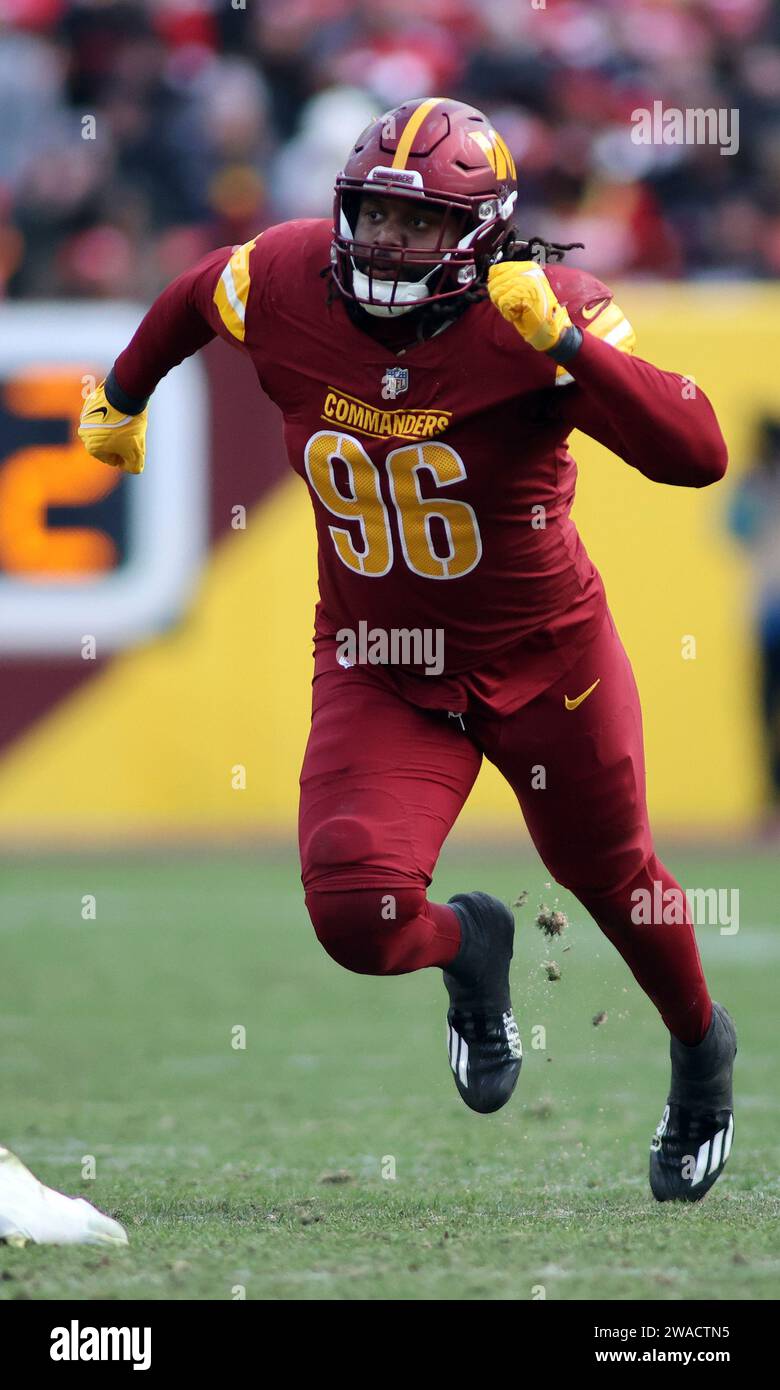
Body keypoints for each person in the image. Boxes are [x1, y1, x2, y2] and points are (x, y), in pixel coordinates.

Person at [78, 97, 736, 1202]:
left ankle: (702, 1050)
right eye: (374, 213)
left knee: (613, 877)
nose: (386, 241)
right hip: (383, 659)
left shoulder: (542, 312)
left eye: (418, 223)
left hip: (544, 655)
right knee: (354, 911)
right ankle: (473, 947)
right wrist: (125, 391)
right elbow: (198, 291)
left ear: (481, 232)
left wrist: (567, 349)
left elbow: (699, 452)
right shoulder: (287, 279)